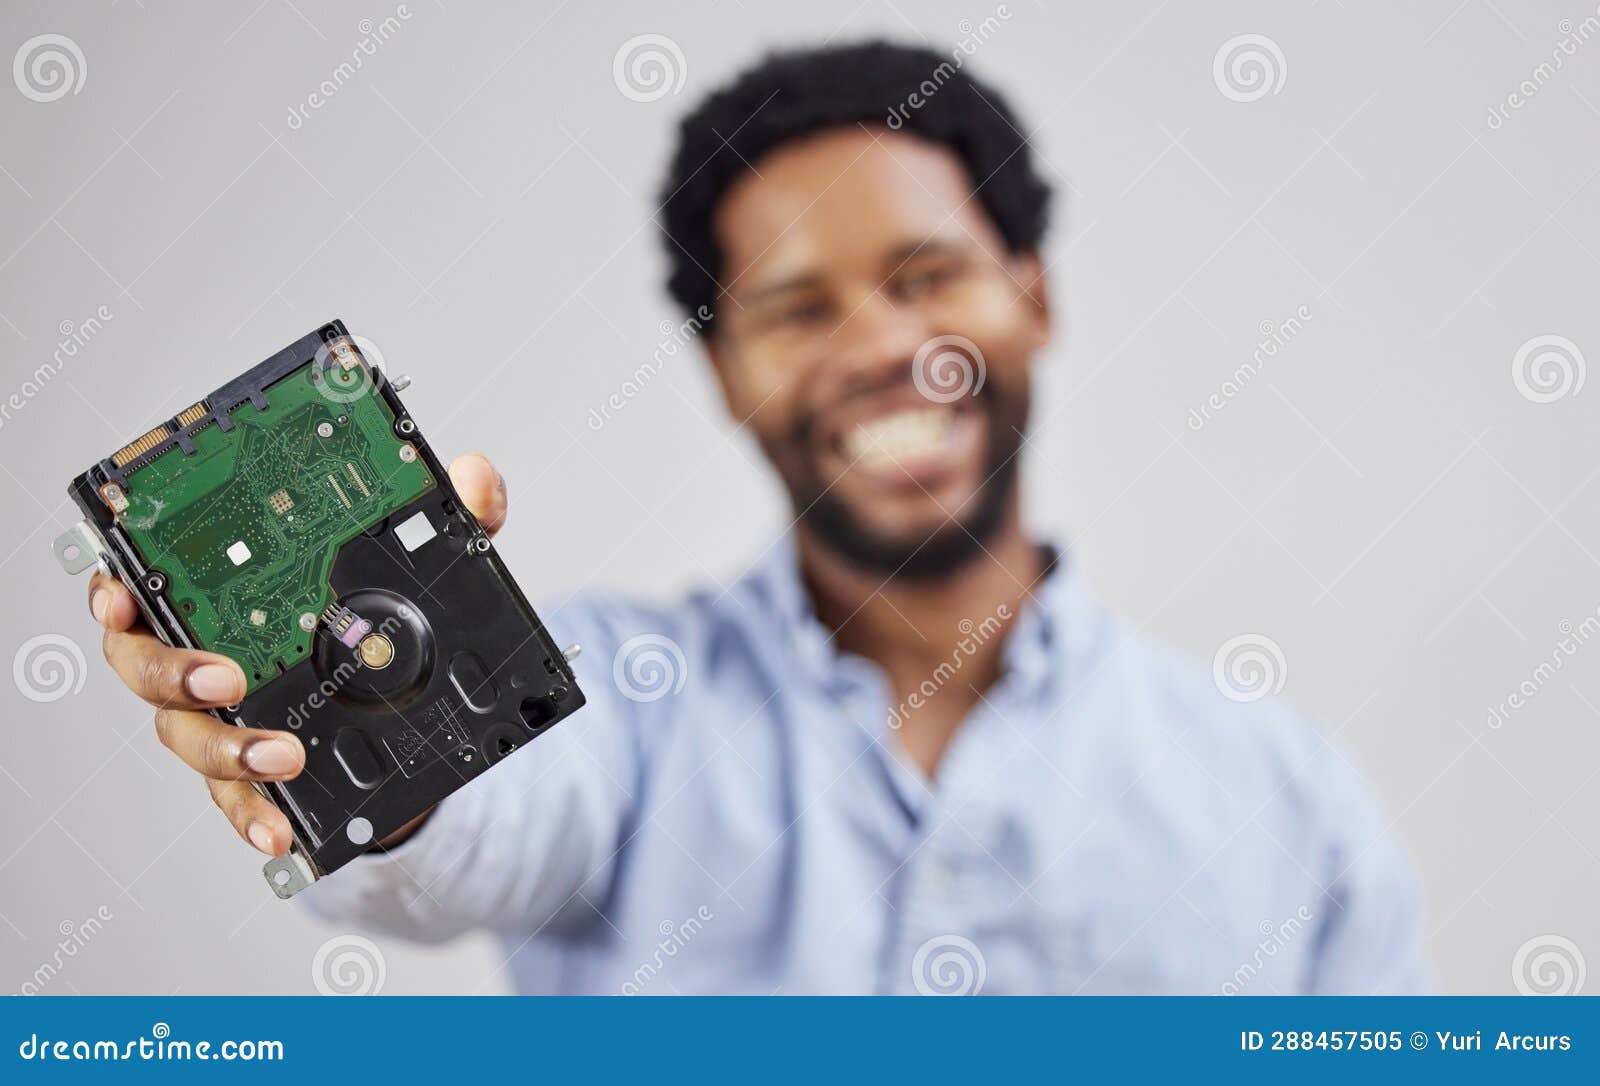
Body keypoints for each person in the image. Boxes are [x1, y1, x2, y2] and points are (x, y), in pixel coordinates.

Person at [83, 41, 1424, 995]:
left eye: (928, 275)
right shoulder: (619, 705)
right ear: (726, 370)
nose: (882, 347)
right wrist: (368, 713)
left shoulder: (1284, 798)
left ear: (1032, 297)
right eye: (798, 307)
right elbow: (474, 835)